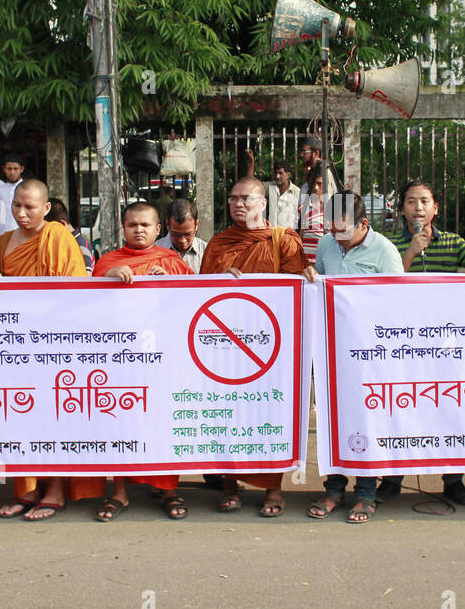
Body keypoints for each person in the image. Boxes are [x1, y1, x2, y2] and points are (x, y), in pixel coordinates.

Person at [0, 180, 98, 521]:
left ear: (46, 209)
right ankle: (28, 488)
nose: (21, 213)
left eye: (29, 207)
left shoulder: (58, 238)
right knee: (22, 418)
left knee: (56, 419)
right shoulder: (2, 243)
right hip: (15, 348)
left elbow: (74, 292)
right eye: (17, 206)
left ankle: (56, 489)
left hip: (53, 345)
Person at [200, 177, 306, 517]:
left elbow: (295, 291)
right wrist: (219, 281)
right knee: (228, 414)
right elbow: (200, 294)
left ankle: (274, 488)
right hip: (225, 344)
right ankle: (231, 485)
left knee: (270, 414)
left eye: (246, 198)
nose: (238, 204)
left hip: (270, 345)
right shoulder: (219, 243)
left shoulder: (284, 240)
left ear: (263, 203)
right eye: (232, 199)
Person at [91, 201, 194, 520]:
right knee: (122, 422)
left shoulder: (171, 261)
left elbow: (194, 301)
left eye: (145, 225)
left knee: (164, 422)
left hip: (163, 358)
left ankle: (168, 489)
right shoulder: (107, 262)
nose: (139, 230)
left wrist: (171, 284)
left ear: (158, 229)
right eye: (132, 225)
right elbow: (86, 305)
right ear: (123, 227)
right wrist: (106, 277)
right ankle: (119, 491)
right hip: (122, 360)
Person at [380, 178, 465, 506]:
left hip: (447, 341)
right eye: (411, 201)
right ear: (402, 208)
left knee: (448, 406)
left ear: (435, 208)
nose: (418, 207)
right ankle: (392, 478)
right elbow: (386, 285)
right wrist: (411, 251)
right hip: (404, 340)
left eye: (424, 201)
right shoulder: (388, 242)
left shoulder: (454, 242)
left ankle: (453, 480)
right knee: (401, 406)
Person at [306, 193, 403, 523]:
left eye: (342, 230)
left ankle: (365, 494)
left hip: (370, 351)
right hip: (331, 347)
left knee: (365, 420)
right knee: (333, 420)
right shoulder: (325, 246)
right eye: (331, 229)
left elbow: (396, 303)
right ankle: (333, 489)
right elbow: (319, 289)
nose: (336, 236)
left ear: (364, 224)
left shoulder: (385, 251)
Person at [155, 197, 207, 273]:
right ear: (167, 225)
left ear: (196, 224)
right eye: (176, 234)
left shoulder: (206, 251)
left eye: (188, 234)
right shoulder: (155, 251)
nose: (182, 240)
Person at [47, 197, 95, 272]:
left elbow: (85, 279)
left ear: (62, 225)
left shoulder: (81, 246)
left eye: (49, 231)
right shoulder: (63, 244)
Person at [0, 151, 27, 240]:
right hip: (3, 235)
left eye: (15, 169)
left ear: (21, 169)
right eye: (9, 168)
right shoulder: (1, 190)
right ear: (4, 169)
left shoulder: (27, 188)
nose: (12, 172)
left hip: (23, 235)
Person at [297, 163, 327, 263]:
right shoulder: (303, 207)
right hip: (307, 263)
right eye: (313, 183)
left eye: (320, 183)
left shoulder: (335, 208)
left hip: (326, 262)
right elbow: (299, 237)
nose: (316, 187)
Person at [268, 162, 300, 230]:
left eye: (280, 173)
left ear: (288, 174)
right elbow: (252, 185)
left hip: (289, 235)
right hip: (272, 234)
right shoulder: (270, 187)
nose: (277, 176)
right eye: (276, 173)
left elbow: (301, 217)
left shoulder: (297, 192)